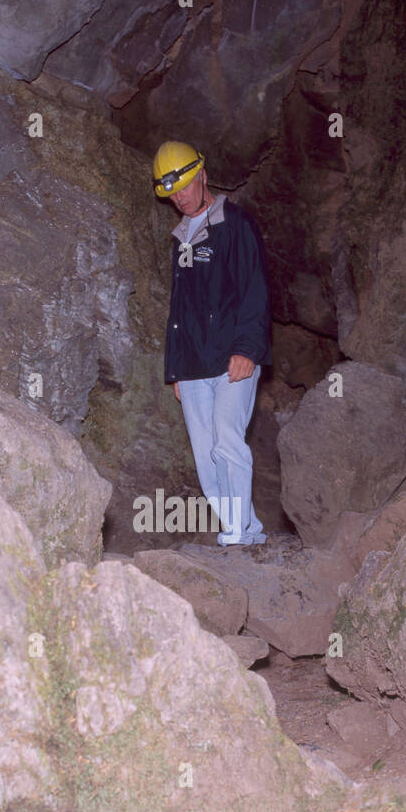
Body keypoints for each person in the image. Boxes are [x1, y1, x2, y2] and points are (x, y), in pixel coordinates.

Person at [153, 140, 271, 546]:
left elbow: (255, 290)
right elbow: (179, 309)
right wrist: (176, 370)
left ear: (202, 174)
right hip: (193, 365)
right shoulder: (181, 236)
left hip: (232, 358)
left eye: (185, 185)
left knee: (227, 437)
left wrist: (248, 350)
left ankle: (239, 532)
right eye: (173, 191)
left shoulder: (235, 224)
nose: (180, 196)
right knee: (205, 452)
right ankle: (240, 528)